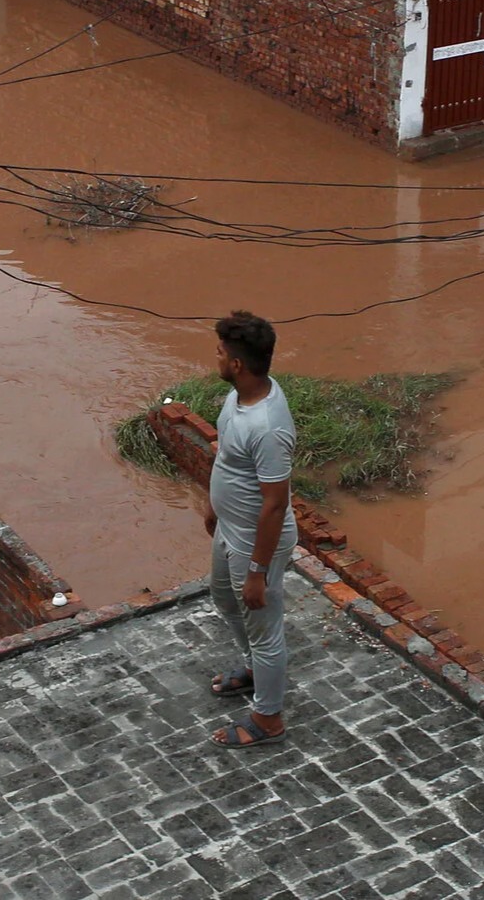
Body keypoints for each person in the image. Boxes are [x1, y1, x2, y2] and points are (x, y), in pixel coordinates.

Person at [199, 309, 297, 750]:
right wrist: (212, 505)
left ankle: (268, 718)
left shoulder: (269, 426)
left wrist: (258, 569)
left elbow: (275, 504)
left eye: (220, 353)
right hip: (231, 529)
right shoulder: (238, 398)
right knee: (225, 598)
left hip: (256, 543)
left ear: (237, 363)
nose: (216, 359)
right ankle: (256, 669)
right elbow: (225, 458)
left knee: (264, 627)